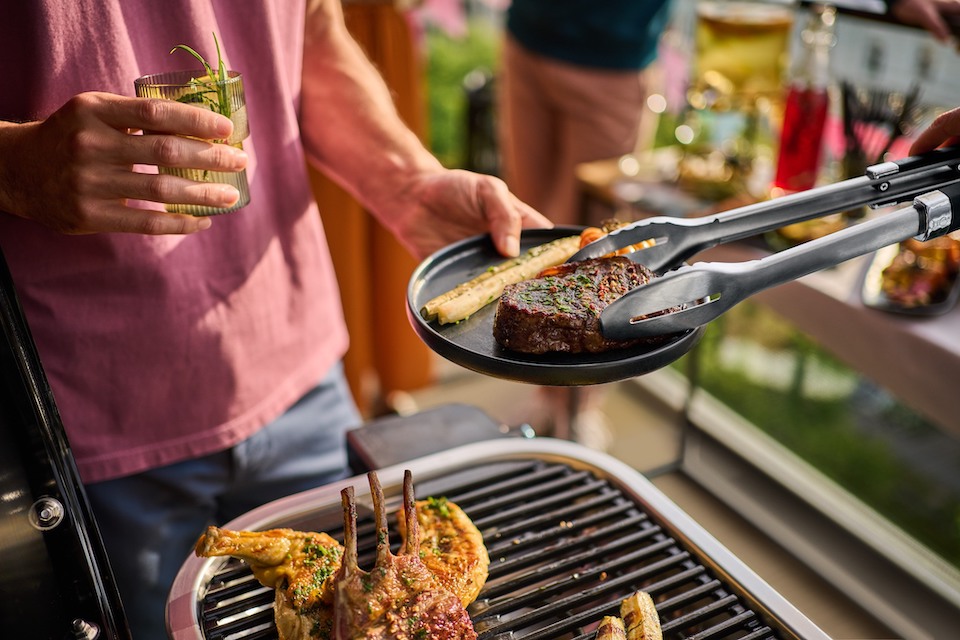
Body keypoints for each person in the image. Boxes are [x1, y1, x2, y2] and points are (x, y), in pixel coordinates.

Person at [0, 1, 550, 639]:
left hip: (299, 370)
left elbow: (308, 28)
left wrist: (408, 184)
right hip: (86, 417)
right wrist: (13, 165)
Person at [495, 1, 672, 449]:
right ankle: (546, 396)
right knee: (533, 233)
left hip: (611, 51)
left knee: (599, 252)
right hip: (528, 34)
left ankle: (578, 410)